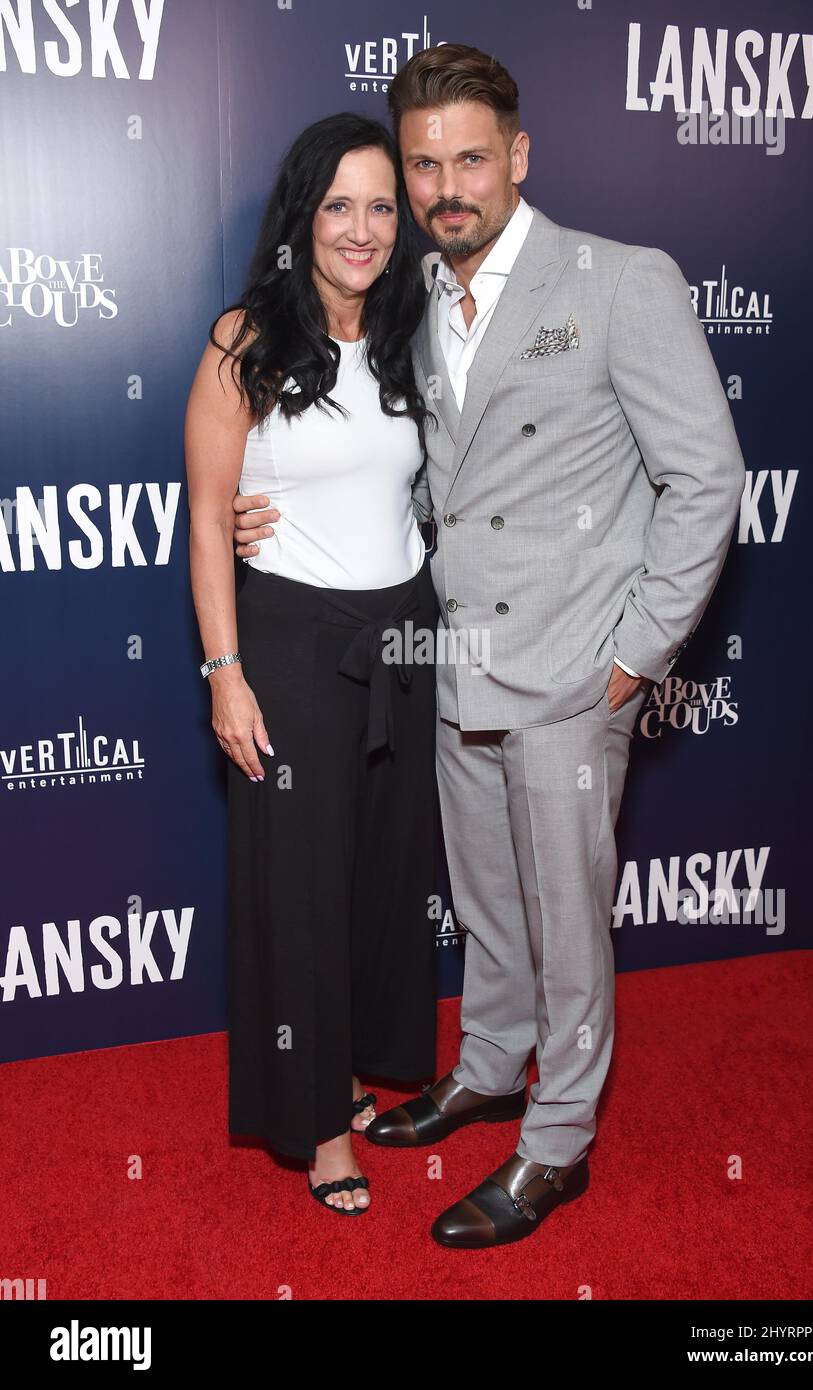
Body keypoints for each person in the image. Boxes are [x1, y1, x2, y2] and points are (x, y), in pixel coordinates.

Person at [232, 45, 746, 1248]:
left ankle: (556, 1141)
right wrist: (259, 502)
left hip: (574, 668)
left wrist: (637, 652)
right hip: (452, 666)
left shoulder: (618, 280)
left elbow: (705, 477)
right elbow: (386, 458)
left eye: (469, 157)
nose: (444, 184)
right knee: (488, 905)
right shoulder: (415, 294)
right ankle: (491, 1068)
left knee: (568, 918)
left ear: (517, 155)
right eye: (423, 164)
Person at [185, 112, 439, 1215]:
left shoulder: (410, 332)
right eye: (339, 204)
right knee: (301, 889)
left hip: (404, 640)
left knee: (381, 880)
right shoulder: (247, 340)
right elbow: (205, 520)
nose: (363, 227)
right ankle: (318, 1127)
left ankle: (355, 1069)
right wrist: (223, 670)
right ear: (303, 216)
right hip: (288, 642)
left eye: (382, 205)